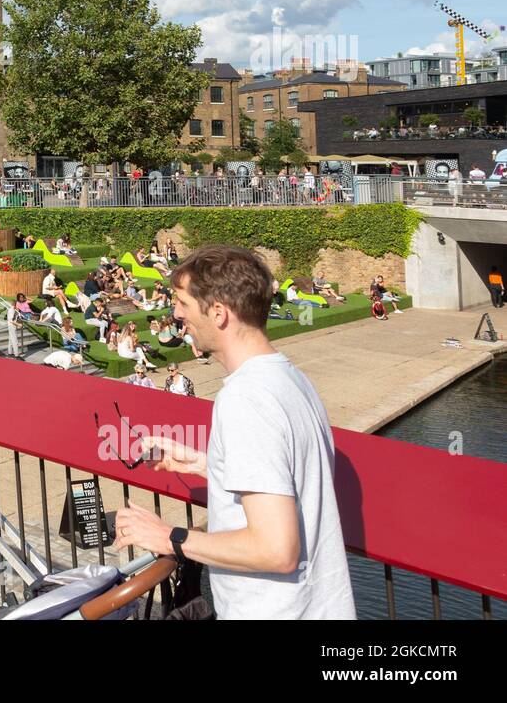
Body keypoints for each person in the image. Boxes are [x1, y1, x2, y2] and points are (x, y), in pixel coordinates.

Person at [115, 244, 355, 619]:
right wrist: (208, 465)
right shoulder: (288, 377)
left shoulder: (245, 400)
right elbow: (285, 478)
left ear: (218, 313)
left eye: (182, 303)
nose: (175, 313)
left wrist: (170, 538)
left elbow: (275, 550)